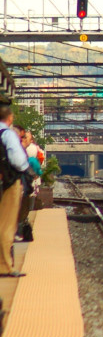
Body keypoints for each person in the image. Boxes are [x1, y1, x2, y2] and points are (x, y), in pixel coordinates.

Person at [0, 105, 29, 277]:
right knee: (6, 224)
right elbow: (18, 160)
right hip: (7, 183)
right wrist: (26, 169)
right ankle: (5, 266)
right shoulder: (7, 134)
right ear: (10, 118)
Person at [15, 128, 42, 242]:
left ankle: (19, 231)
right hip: (21, 186)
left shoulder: (22, 152)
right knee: (23, 210)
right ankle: (19, 232)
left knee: (22, 210)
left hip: (22, 185)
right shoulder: (20, 152)